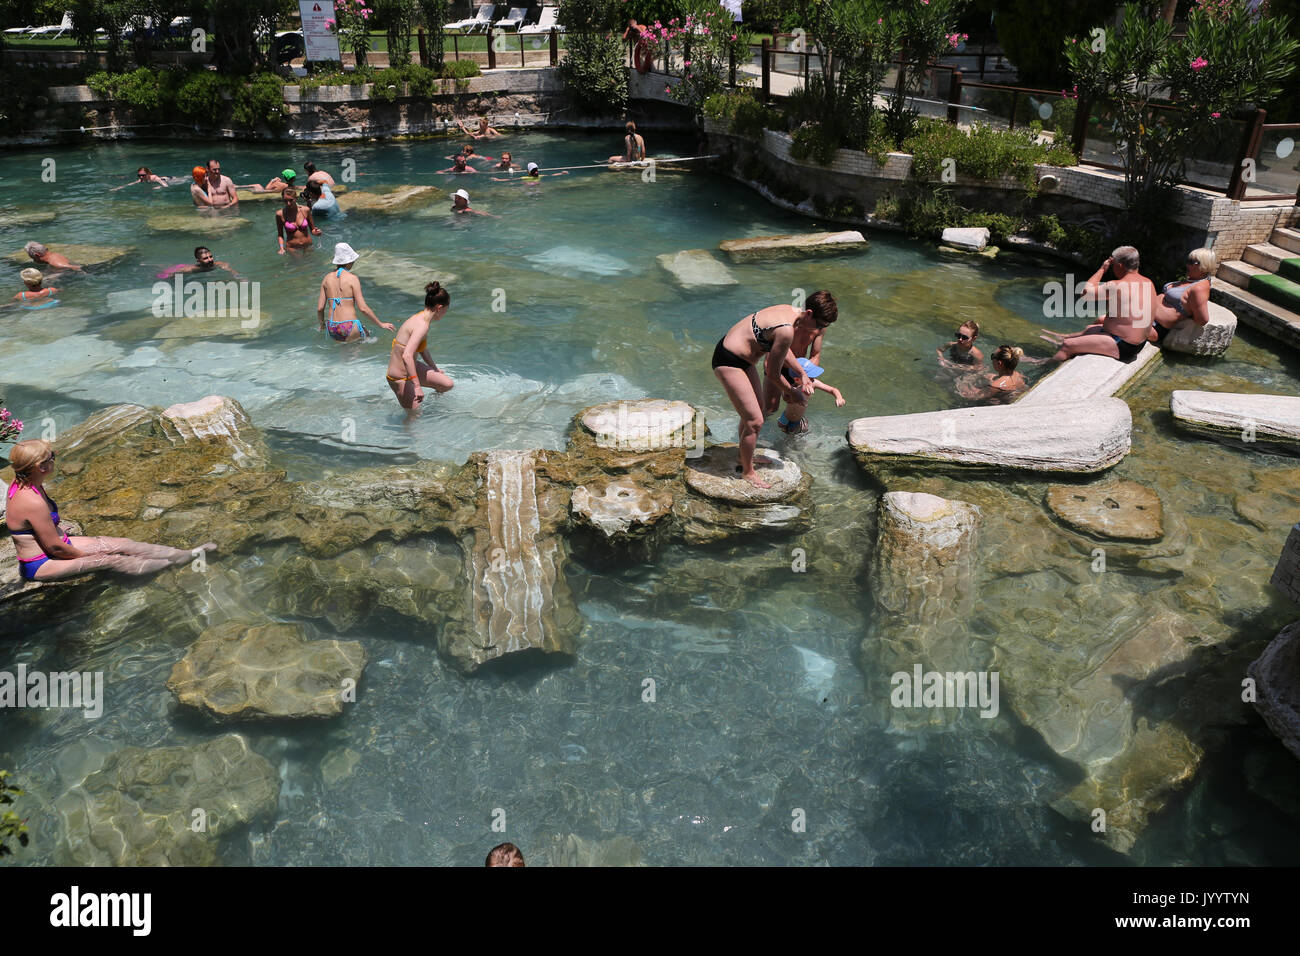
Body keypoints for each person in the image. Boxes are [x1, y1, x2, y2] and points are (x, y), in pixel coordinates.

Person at [5, 439, 216, 582]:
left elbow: (37, 527)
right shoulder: (30, 501)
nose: (55, 457)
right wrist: (91, 556)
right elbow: (55, 548)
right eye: (52, 456)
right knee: (112, 558)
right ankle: (168, 566)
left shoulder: (27, 480)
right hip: (40, 563)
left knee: (123, 544)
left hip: (58, 545)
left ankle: (182, 556)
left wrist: (56, 525)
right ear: (41, 466)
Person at [712, 292, 836, 488]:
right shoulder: (787, 330)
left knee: (754, 413)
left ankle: (742, 456)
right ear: (810, 313)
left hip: (741, 358)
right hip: (729, 360)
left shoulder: (789, 311)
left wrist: (801, 373)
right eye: (820, 325)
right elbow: (772, 373)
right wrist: (792, 392)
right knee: (755, 421)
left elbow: (784, 351)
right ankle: (747, 473)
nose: (820, 330)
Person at [1040, 246, 1155, 364]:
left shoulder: (1117, 285)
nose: (1113, 269)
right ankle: (1062, 338)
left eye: (1113, 266)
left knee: (1068, 345)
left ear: (1120, 265)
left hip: (1123, 345)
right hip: (1135, 343)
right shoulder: (1148, 282)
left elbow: (1084, 294)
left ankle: (1043, 364)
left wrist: (1102, 269)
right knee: (1090, 329)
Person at [386, 281, 454, 409]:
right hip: (399, 377)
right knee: (414, 418)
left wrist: (434, 368)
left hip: (411, 368)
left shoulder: (422, 318)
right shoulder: (421, 326)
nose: (445, 313)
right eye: (446, 310)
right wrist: (417, 386)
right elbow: (407, 356)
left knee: (446, 384)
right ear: (439, 308)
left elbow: (423, 349)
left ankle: (433, 408)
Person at [317, 243, 392, 343]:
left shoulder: (326, 279)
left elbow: (320, 308)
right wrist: (381, 324)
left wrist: (322, 325)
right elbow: (363, 308)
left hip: (332, 327)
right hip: (349, 326)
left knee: (344, 354)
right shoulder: (352, 279)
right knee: (359, 350)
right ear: (348, 261)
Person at [1151, 247, 1216, 346]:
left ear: (1204, 265)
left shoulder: (1199, 288)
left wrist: (1190, 311)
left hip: (1155, 326)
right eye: (1188, 260)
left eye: (1191, 262)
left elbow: (1202, 319)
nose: (1187, 264)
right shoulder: (1193, 279)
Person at [957, 345, 1027, 403]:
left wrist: (962, 383)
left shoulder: (996, 386)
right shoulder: (1017, 375)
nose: (992, 360)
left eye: (993, 356)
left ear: (999, 363)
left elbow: (973, 396)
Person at [276, 187, 322, 254]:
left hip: (308, 245)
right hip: (292, 248)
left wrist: (317, 232)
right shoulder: (280, 214)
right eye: (285, 201)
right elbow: (280, 235)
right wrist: (281, 248)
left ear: (296, 198)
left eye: (291, 200)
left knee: (312, 263)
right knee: (299, 264)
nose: (288, 203)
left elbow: (312, 230)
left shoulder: (305, 210)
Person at [157, 246, 239, 280]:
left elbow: (231, 270)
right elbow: (173, 274)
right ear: (198, 260)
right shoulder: (190, 269)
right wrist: (168, 278)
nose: (210, 260)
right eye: (205, 258)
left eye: (211, 256)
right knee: (162, 268)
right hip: (179, 267)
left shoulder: (218, 264)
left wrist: (239, 277)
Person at [110, 166, 182, 190]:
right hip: (164, 179)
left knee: (185, 178)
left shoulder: (155, 178)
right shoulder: (141, 179)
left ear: (148, 174)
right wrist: (117, 188)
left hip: (170, 179)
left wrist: (158, 187)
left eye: (143, 175)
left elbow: (166, 186)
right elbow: (130, 184)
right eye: (139, 175)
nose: (141, 177)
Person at [492, 162, 569, 183]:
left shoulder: (524, 178)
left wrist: (498, 180)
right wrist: (562, 173)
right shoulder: (540, 176)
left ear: (528, 172)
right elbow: (552, 175)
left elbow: (511, 180)